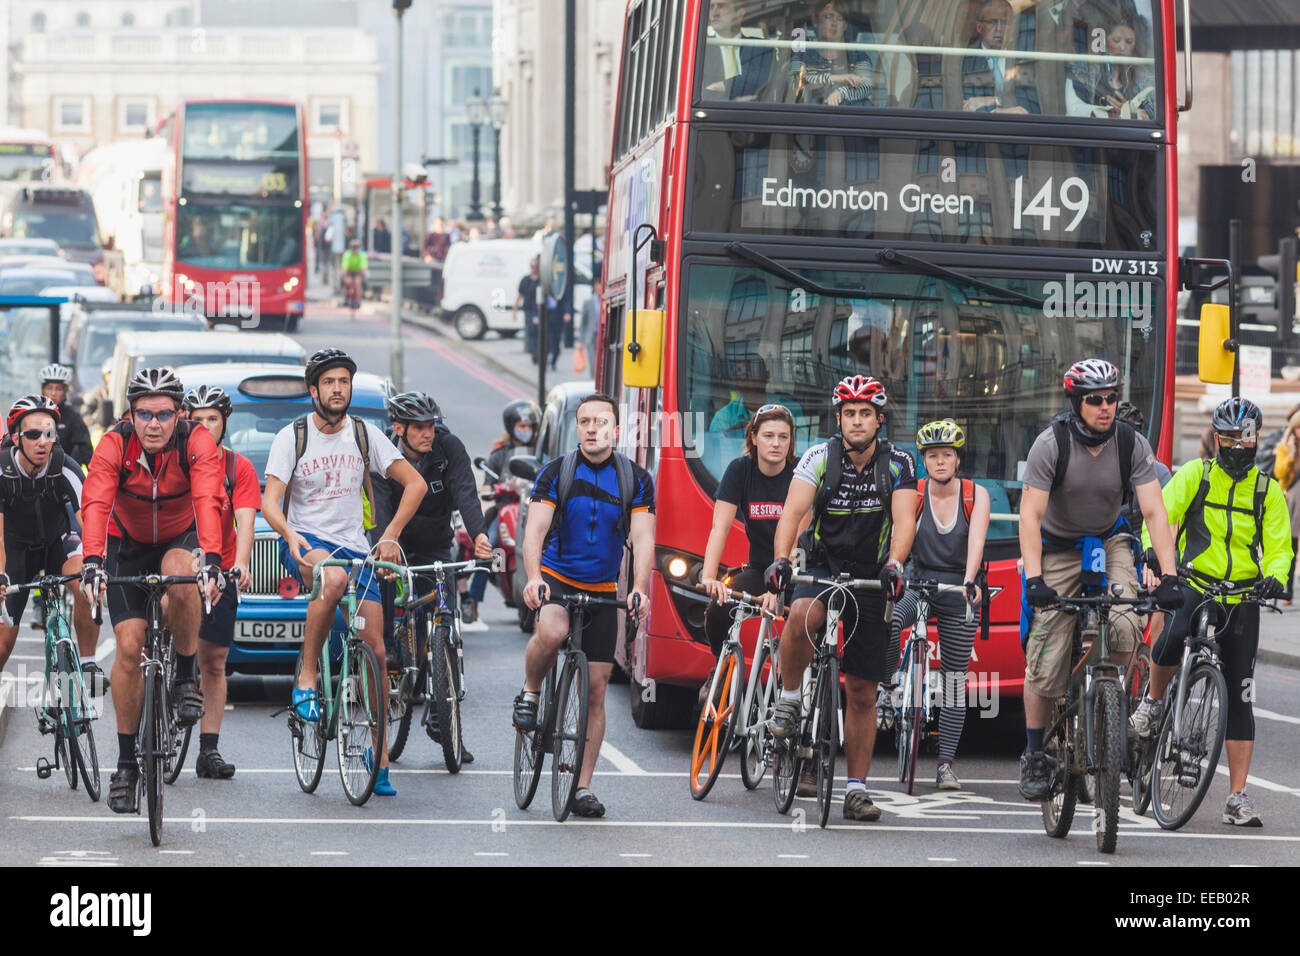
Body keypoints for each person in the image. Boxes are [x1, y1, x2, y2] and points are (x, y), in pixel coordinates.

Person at [261, 349, 427, 798]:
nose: (338, 389)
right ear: (313, 390)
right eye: (329, 382)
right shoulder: (292, 436)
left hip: (357, 547)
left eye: (344, 382)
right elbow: (270, 503)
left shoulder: (363, 434)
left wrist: (389, 535)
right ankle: (308, 677)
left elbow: (416, 484)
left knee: (375, 650)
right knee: (332, 580)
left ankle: (380, 758)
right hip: (306, 541)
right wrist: (289, 534)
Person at [1016, 358, 1183, 802]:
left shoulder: (1130, 443)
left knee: (1128, 622)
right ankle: (1035, 752)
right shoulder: (1051, 443)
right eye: (1094, 399)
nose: (1105, 406)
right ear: (1076, 402)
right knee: (1046, 654)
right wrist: (1035, 579)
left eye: (1111, 397)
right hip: (1057, 547)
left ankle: (1109, 705)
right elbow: (1029, 516)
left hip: (1108, 542)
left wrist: (1168, 576)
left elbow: (1154, 512)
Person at [764, 375, 919, 822]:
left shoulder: (900, 462)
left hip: (873, 575)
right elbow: (791, 515)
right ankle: (791, 698)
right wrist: (780, 560)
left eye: (865, 413)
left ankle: (856, 788)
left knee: (862, 691)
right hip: (823, 567)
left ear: (878, 420)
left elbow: (905, 519)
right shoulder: (818, 457)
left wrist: (895, 564)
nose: (856, 420)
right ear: (839, 419)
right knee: (800, 612)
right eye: (849, 413)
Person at [1133, 397, 1292, 827]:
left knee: (1241, 695)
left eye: (1246, 437)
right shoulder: (1196, 475)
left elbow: (1280, 547)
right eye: (1228, 437)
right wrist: (1153, 550)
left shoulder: (1267, 489)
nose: (1238, 445)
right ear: (1215, 439)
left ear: (1257, 438)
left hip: (1242, 598)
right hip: (1195, 583)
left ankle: (1236, 797)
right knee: (1171, 635)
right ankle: (1152, 702)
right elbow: (1161, 515)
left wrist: (1276, 576)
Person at [79, 368, 227, 814]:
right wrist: (90, 561)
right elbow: (97, 501)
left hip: (179, 538)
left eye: (164, 414)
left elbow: (207, 498)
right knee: (128, 647)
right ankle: (126, 765)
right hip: (127, 545)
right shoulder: (114, 444)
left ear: (179, 414)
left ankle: (184, 676)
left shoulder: (195, 440)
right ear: (131, 414)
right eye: (144, 414)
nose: (154, 424)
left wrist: (214, 560)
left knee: (182, 573)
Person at [513, 393, 655, 818]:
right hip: (557, 578)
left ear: (617, 428)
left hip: (603, 587)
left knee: (596, 692)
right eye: (585, 421)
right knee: (553, 632)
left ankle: (582, 787)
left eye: (602, 422)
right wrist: (535, 578)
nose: (593, 428)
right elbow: (535, 532)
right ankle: (532, 690)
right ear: (578, 428)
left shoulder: (635, 479)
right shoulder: (558, 472)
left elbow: (644, 539)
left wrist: (640, 588)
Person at [373, 391, 491, 758]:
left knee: (446, 621)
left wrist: (480, 536)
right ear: (399, 428)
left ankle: (444, 717)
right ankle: (392, 655)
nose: (428, 433)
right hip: (395, 544)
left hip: (437, 545)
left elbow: (467, 494)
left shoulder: (448, 448)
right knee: (387, 594)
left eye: (431, 426)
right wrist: (384, 545)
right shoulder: (383, 455)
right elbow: (378, 508)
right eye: (420, 428)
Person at [887, 420, 990, 790]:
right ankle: (888, 686)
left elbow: (976, 540)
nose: (941, 461)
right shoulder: (912, 493)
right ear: (924, 461)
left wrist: (969, 579)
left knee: (954, 681)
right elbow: (897, 536)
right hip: (919, 581)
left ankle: (945, 764)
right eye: (933, 456)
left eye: (947, 455)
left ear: (958, 459)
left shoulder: (975, 495)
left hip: (958, 587)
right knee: (890, 620)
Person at [181, 386, 259, 780]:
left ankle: (208, 751)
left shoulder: (237, 468)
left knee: (213, 663)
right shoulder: (175, 463)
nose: (205, 427)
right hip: (179, 573)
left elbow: (245, 520)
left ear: (225, 423)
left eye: (213, 419)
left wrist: (240, 563)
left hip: (220, 571)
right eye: (197, 421)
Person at [0, 397, 101, 692]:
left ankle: (89, 662)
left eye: (49, 433)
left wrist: (97, 562)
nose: (42, 442)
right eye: (32, 434)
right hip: (15, 551)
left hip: (58, 542)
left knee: (87, 583)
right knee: (3, 645)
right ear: (16, 437)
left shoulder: (64, 466)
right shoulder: (3, 469)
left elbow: (89, 520)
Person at [466, 400, 540, 612]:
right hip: (506, 509)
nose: (525, 431)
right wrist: (493, 489)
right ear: (511, 426)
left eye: (529, 426)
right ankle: (473, 601)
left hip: (533, 508)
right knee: (489, 547)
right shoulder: (499, 454)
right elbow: (486, 486)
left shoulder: (538, 452)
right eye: (521, 426)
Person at [789, 0, 875, 106]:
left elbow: (868, 84)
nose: (834, 23)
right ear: (815, 20)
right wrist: (834, 78)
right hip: (811, 115)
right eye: (828, 17)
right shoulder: (803, 51)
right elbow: (795, 82)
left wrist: (841, 93)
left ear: (845, 25)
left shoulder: (856, 52)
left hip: (851, 117)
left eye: (840, 19)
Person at [1065, 20, 1155, 120]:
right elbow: (1074, 110)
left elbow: (1153, 118)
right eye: (1116, 40)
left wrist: (1131, 111)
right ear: (1104, 43)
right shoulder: (1084, 73)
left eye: (1129, 42)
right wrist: (1118, 111)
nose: (1122, 47)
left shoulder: (1143, 80)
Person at [961, 0, 1036, 114]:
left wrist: (994, 101)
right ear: (979, 27)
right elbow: (970, 106)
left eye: (1004, 22)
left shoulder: (1023, 58)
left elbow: (1031, 103)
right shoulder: (965, 60)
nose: (999, 29)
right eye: (992, 22)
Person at [701, 0, 774, 101]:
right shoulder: (701, 48)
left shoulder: (761, 47)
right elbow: (698, 93)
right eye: (711, 7)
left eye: (721, 6)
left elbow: (763, 81)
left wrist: (725, 86)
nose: (714, 13)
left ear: (740, 13)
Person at [1269, 406, 1300, 601]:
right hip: (1291, 504)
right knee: (1291, 548)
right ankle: (1287, 588)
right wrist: (1291, 454)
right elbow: (1280, 475)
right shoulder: (1284, 447)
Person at [38, 364, 93, 468]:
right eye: (49, 388)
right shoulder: (33, 414)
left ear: (65, 392)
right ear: (43, 390)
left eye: (58, 389)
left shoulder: (72, 416)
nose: (53, 393)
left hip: (63, 472)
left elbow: (86, 451)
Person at [514, 256, 543, 364]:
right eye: (532, 266)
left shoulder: (541, 280)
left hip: (540, 311)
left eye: (535, 266)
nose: (534, 268)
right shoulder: (525, 280)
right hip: (528, 311)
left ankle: (539, 353)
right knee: (530, 333)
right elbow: (520, 295)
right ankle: (534, 354)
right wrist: (515, 310)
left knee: (539, 333)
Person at [80, 358, 116, 435]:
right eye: (109, 373)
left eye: (114, 373)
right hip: (102, 428)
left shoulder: (127, 391)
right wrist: (89, 418)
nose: (112, 376)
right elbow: (88, 408)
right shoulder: (99, 391)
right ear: (104, 375)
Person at [580, 275, 602, 368]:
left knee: (601, 359)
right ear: (594, 287)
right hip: (591, 334)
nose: (599, 288)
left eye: (600, 285)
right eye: (597, 286)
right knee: (593, 360)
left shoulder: (605, 301)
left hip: (602, 334)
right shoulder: (588, 302)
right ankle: (594, 380)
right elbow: (583, 322)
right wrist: (581, 340)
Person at [340, 239, 367, 308]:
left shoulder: (362, 255)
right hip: (349, 271)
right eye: (353, 247)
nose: (355, 249)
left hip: (358, 272)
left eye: (357, 247)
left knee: (358, 283)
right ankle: (347, 298)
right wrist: (344, 275)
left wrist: (363, 275)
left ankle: (358, 301)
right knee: (347, 282)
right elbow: (344, 267)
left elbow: (363, 268)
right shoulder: (347, 254)